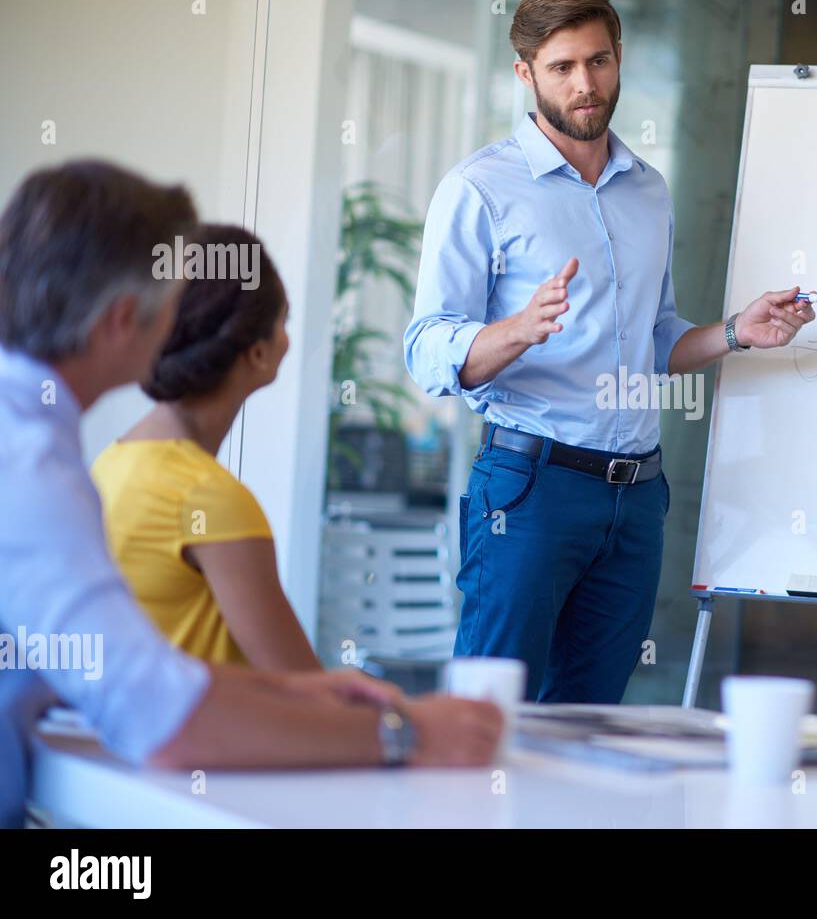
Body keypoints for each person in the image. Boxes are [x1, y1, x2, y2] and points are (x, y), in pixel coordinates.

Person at [0, 160, 502, 829]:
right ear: (125, 319)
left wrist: (287, 688)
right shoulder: (32, 470)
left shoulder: (59, 451)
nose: (182, 322)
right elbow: (164, 719)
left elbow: (117, 670)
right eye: (175, 299)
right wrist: (406, 733)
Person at [405, 0, 815, 703]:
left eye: (597, 61)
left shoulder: (648, 190)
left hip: (635, 501)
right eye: (561, 67)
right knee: (490, 717)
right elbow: (427, 348)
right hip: (530, 492)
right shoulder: (480, 190)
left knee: (590, 726)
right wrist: (517, 331)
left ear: (619, 58)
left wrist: (732, 332)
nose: (584, 84)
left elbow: (655, 341)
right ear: (525, 74)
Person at [93, 223, 316, 670]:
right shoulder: (207, 499)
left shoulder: (109, 464)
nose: (288, 337)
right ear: (257, 352)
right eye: (283, 320)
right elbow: (307, 694)